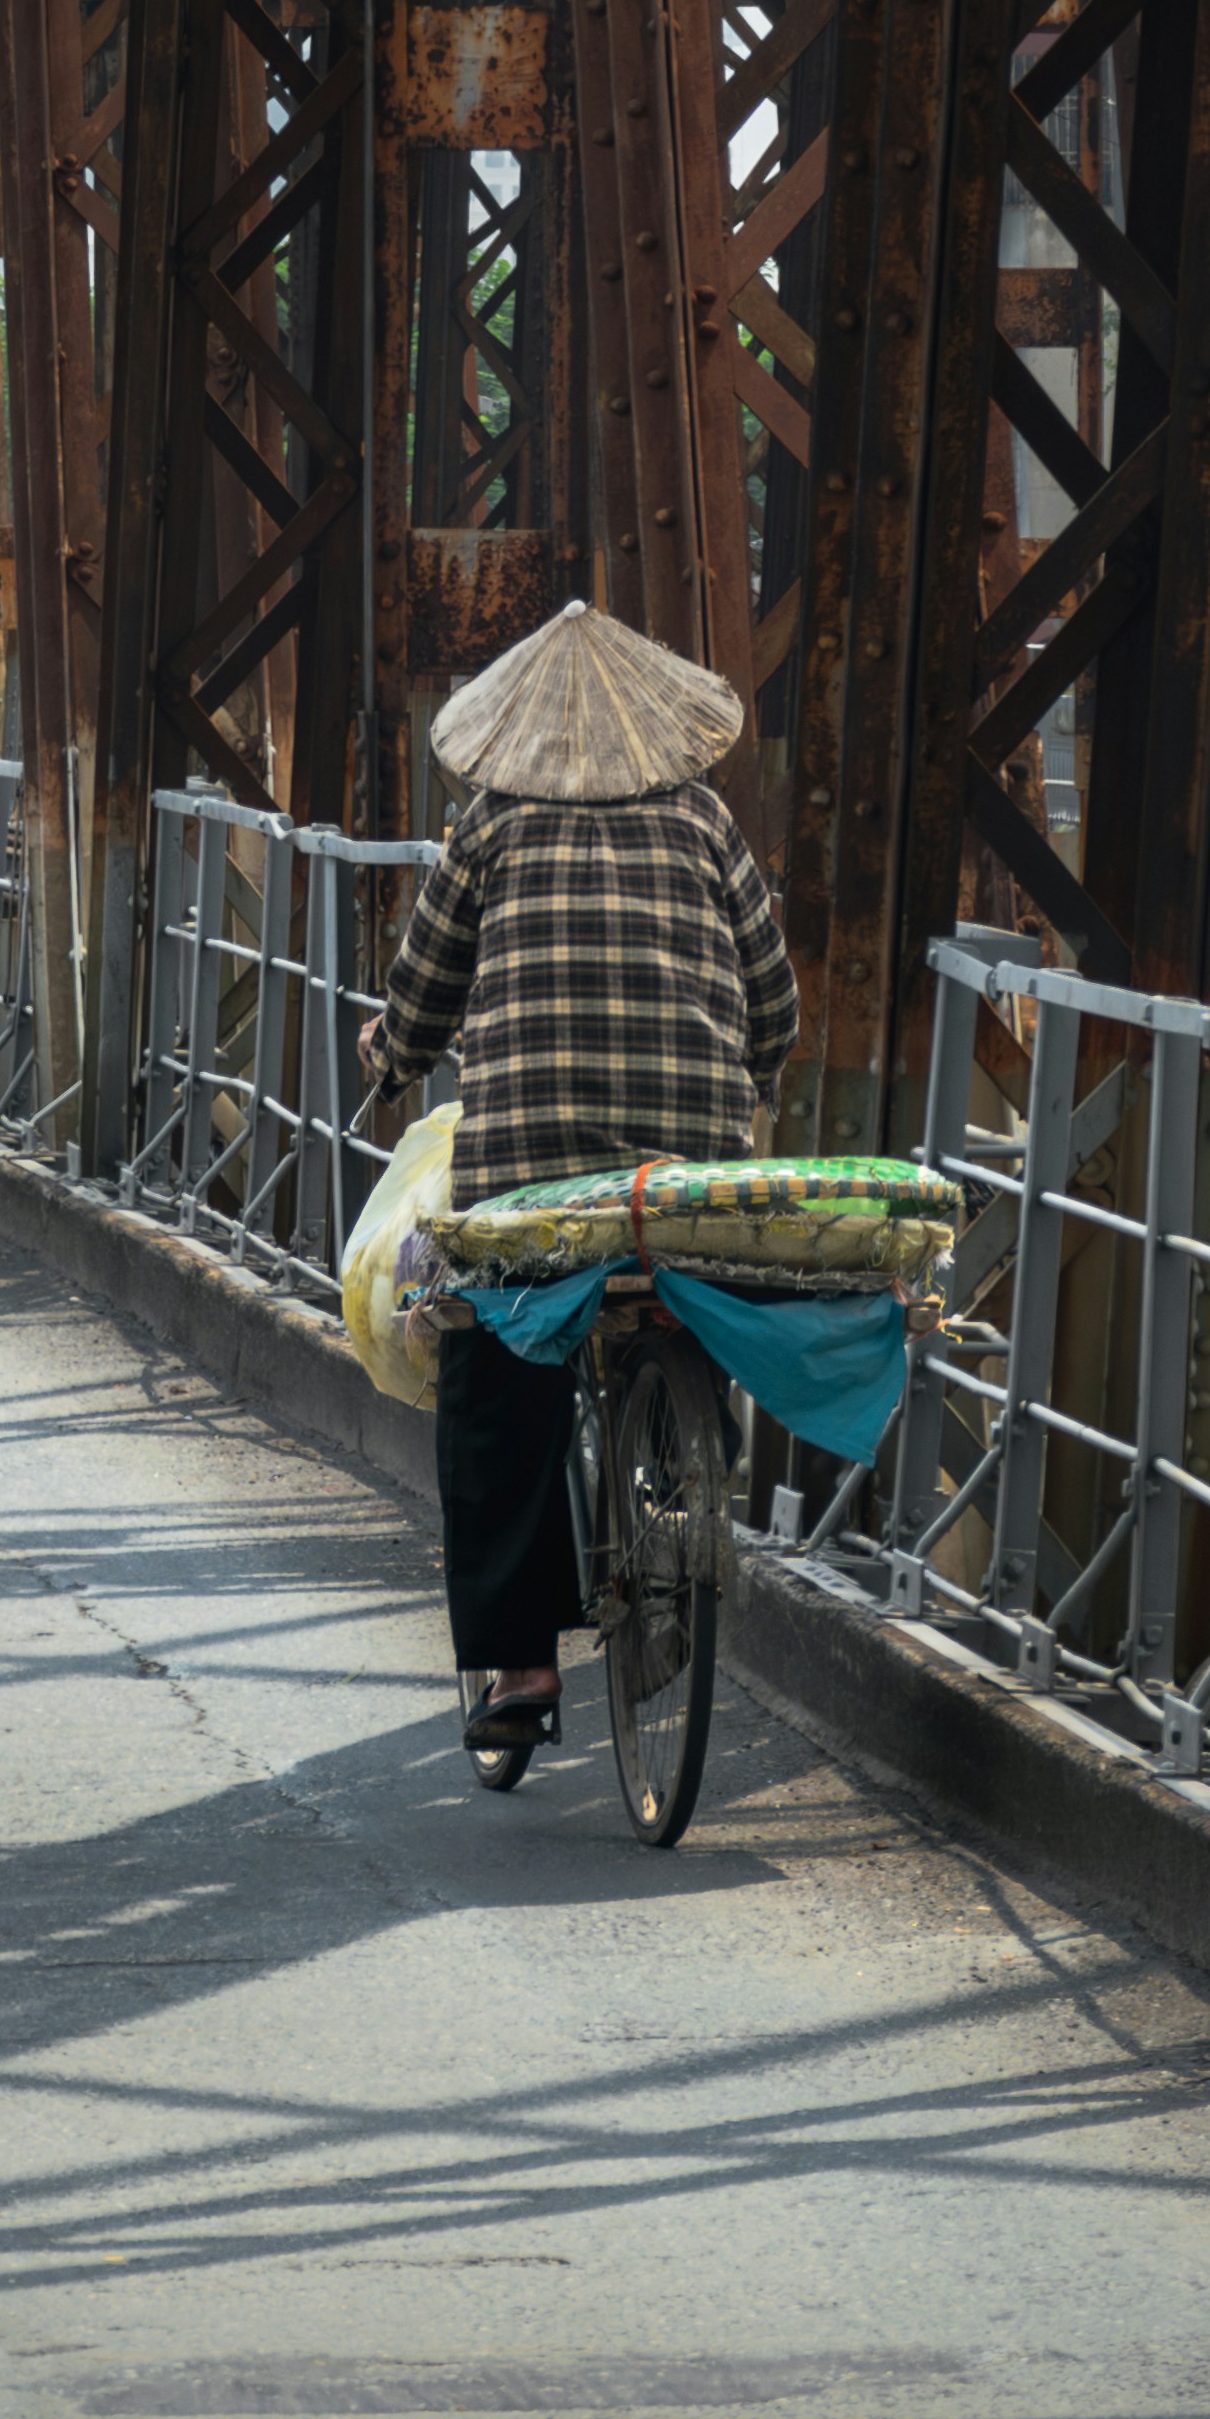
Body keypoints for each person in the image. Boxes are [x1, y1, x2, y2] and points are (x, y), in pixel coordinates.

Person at [358, 595, 794, 1781]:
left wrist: (387, 1060)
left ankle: (524, 1667)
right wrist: (746, 1085)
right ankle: (693, 1476)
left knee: (496, 1374)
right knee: (686, 1285)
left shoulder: (487, 829)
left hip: (529, 1174)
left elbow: (422, 996)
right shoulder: (705, 823)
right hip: (685, 1164)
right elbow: (776, 998)